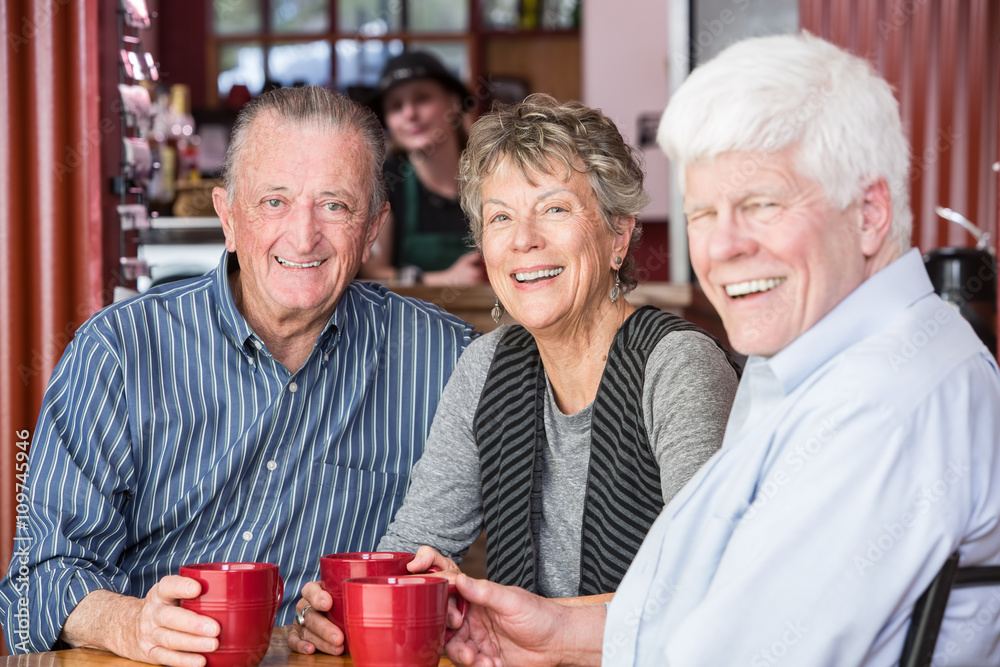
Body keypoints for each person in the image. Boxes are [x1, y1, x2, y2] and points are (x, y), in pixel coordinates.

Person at [440, 33, 1000, 667]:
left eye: (762, 204)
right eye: (702, 213)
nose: (724, 246)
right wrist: (558, 632)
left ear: (869, 213)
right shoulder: (804, 368)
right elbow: (714, 605)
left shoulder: (890, 400)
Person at [0, 86, 475, 664]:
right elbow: (33, 584)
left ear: (373, 227)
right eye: (274, 201)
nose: (303, 237)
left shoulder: (448, 360)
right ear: (228, 217)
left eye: (335, 205)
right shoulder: (119, 352)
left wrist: (447, 593)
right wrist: (129, 623)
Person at [288, 94, 741, 656]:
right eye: (501, 217)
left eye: (554, 209)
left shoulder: (677, 366)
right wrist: (335, 607)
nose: (523, 239)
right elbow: (414, 551)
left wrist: (546, 624)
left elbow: (710, 583)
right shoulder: (487, 365)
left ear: (618, 236)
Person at [357, 50, 487, 287]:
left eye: (422, 98)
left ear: (454, 103)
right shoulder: (386, 182)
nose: (410, 113)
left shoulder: (492, 176)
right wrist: (441, 280)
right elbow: (371, 272)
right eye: (396, 106)